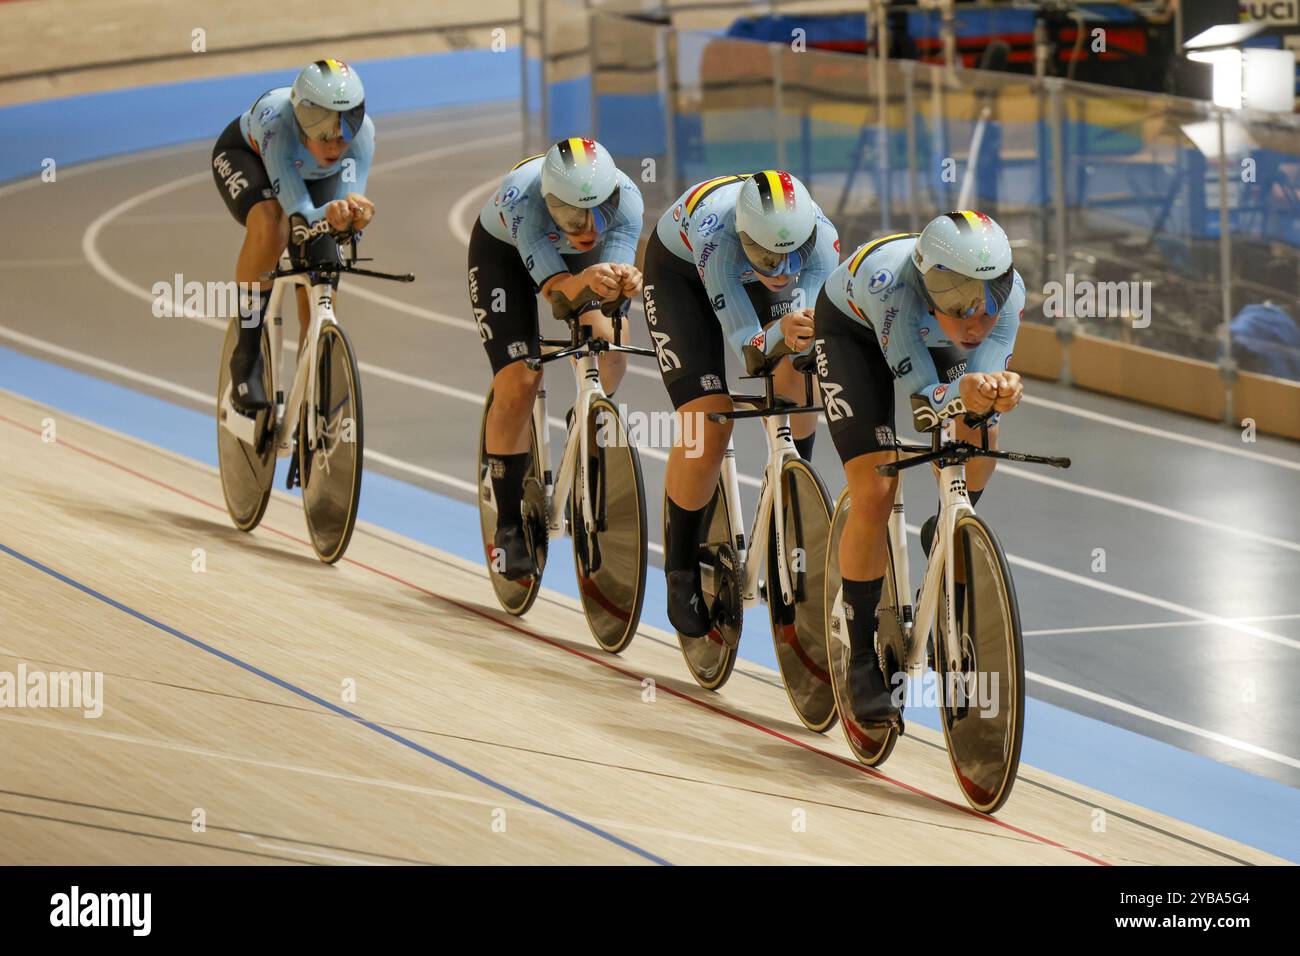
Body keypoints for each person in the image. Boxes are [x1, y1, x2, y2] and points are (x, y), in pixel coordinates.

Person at [812, 210, 1025, 726]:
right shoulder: (896, 290)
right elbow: (926, 402)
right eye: (961, 309)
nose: (977, 323)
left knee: (983, 428)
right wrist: (962, 391)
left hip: (933, 342)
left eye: (988, 307)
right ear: (932, 293)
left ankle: (948, 526)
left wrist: (996, 390)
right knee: (876, 489)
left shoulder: (1010, 295)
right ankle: (861, 657)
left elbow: (977, 385)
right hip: (856, 336)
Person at [643, 170, 840, 637]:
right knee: (708, 419)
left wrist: (797, 337)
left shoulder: (823, 242)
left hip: (745, 276)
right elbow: (748, 347)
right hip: (683, 278)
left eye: (794, 256)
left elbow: (805, 333)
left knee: (801, 371)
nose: (785, 270)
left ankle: (790, 499)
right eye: (771, 257)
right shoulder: (718, 235)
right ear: (746, 236)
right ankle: (679, 567)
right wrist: (777, 334)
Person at [470, 138, 644, 580]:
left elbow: (610, 297)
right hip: (504, 257)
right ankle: (508, 522)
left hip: (571, 258)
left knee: (614, 345)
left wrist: (623, 280)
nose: (587, 225)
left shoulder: (628, 202)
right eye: (571, 214)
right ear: (550, 202)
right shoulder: (524, 200)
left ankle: (582, 422)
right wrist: (583, 279)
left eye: (598, 211)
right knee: (520, 381)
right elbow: (557, 292)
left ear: (613, 197)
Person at [211, 59, 376, 413]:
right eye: (321, 126)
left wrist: (352, 216)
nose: (336, 140)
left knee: (325, 262)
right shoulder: (277, 125)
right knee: (274, 226)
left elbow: (345, 204)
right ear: (300, 117)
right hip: (249, 158)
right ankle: (247, 354)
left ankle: (310, 393)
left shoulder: (362, 139)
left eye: (347, 123)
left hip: (316, 178)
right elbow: (299, 212)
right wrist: (326, 217)